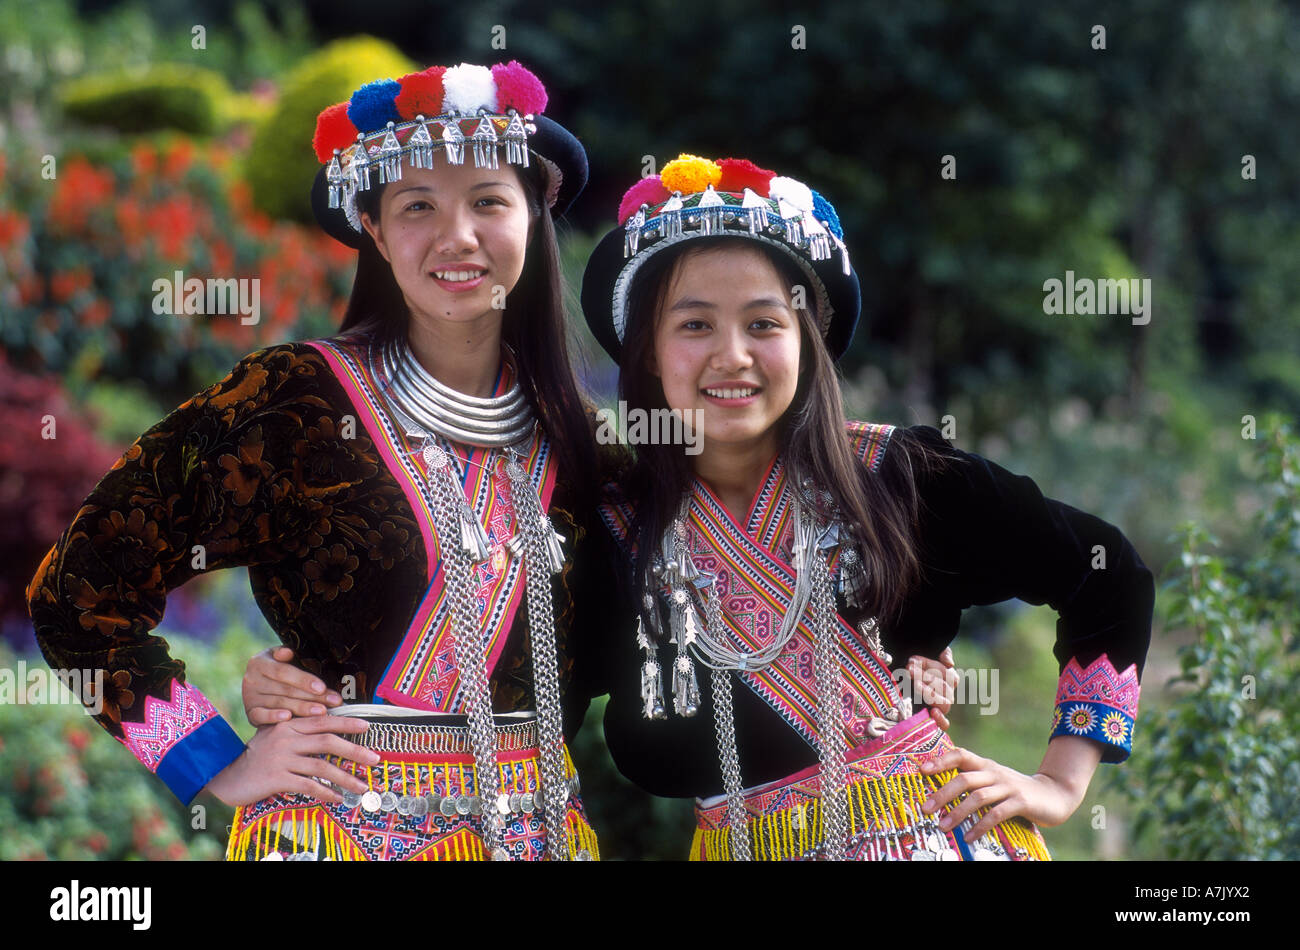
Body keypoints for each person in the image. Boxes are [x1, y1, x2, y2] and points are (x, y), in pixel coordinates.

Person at [26, 61, 608, 861]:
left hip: (540, 837)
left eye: (487, 201)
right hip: (332, 831)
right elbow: (76, 587)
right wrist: (214, 763)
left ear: (535, 215)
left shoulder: (578, 443)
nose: (457, 236)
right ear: (372, 229)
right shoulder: (293, 401)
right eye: (417, 207)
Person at [577, 153, 1154, 860]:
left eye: (764, 324)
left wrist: (1058, 784)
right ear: (647, 354)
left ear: (808, 345)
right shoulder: (609, 535)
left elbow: (1107, 574)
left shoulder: (900, 477)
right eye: (694, 326)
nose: (731, 355)